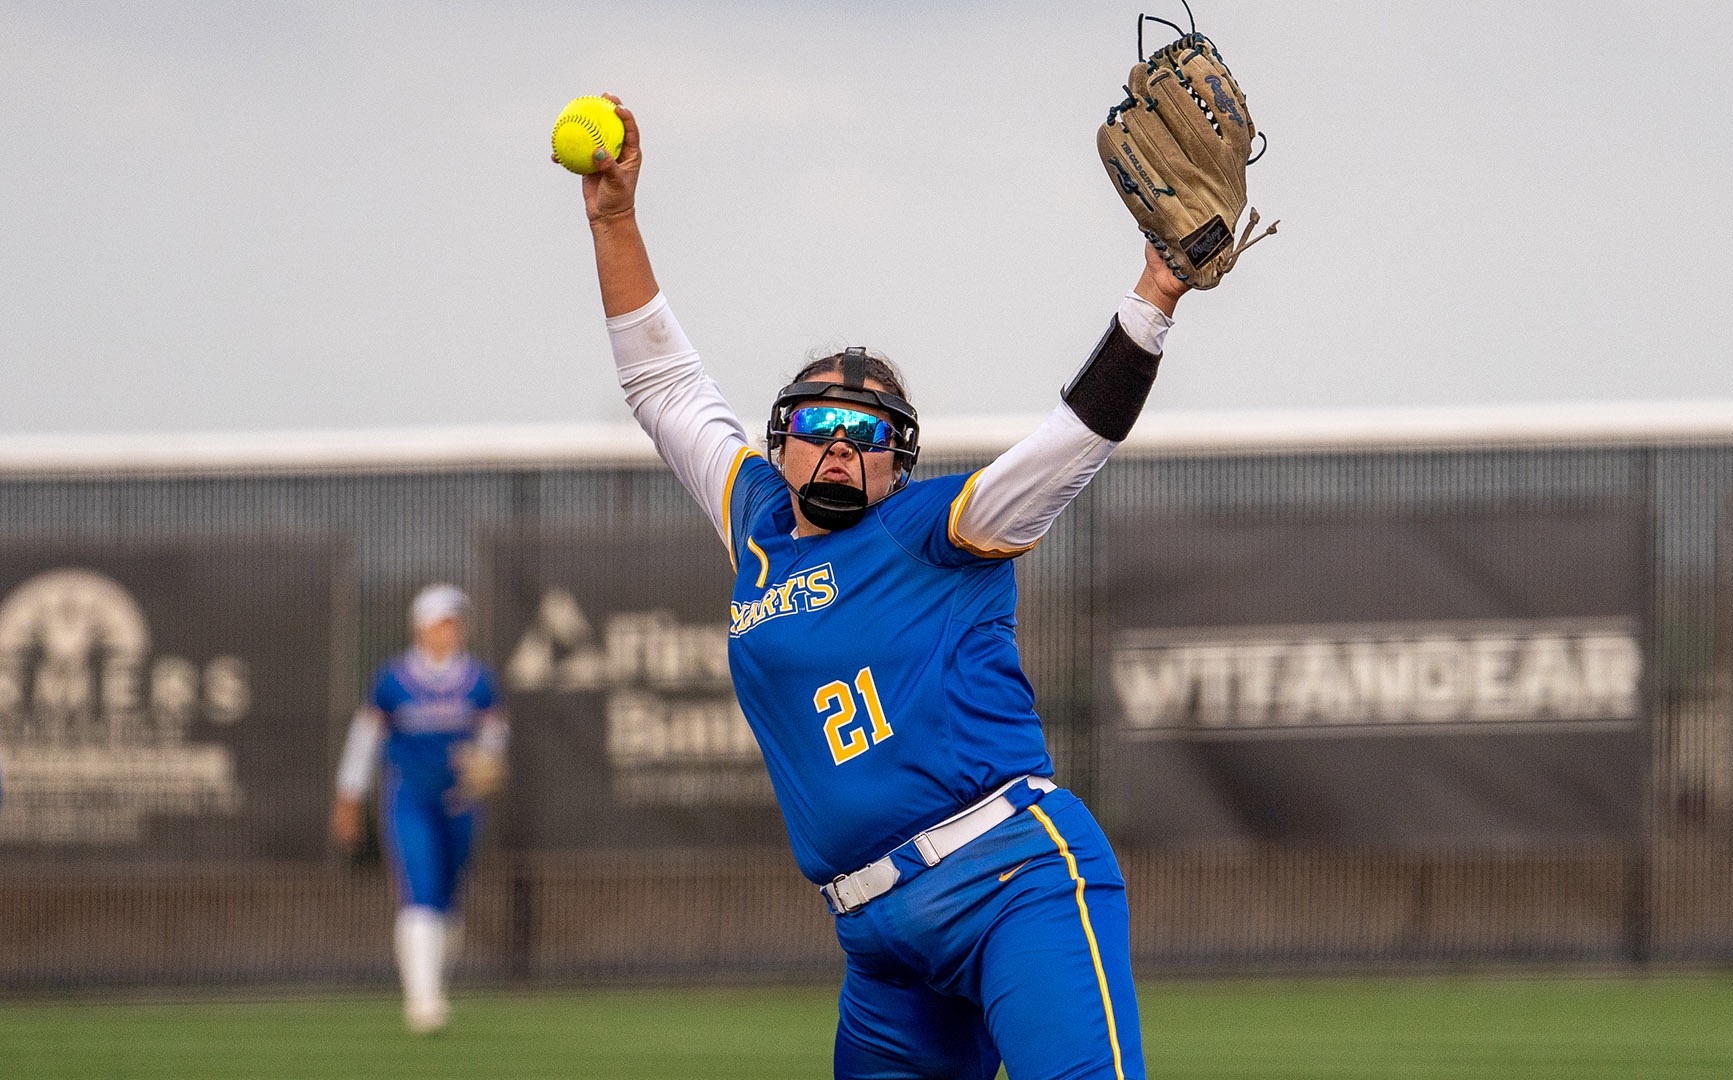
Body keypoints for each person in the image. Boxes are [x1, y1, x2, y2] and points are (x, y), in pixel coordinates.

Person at [577, 93, 1189, 1080]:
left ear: (896, 463)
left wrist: (1153, 300)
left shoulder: (935, 529)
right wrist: (613, 219)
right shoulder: (756, 522)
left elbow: (1073, 443)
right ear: (780, 443)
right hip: (880, 941)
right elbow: (662, 386)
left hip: (1014, 878)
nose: (838, 445)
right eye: (818, 424)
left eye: (867, 435)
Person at [330, 583, 508, 1034]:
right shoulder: (393, 681)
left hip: (461, 803)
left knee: (447, 900)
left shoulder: (478, 680)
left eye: (456, 621)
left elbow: (493, 737)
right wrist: (349, 797)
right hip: (410, 799)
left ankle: (432, 988)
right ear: (421, 627)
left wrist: (489, 764)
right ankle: (423, 1000)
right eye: (442, 621)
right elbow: (364, 740)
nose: (451, 630)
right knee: (421, 891)